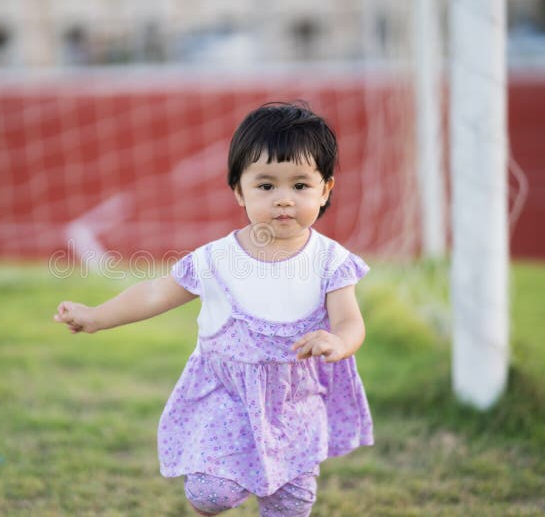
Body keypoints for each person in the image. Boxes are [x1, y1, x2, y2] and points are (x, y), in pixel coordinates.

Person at [53, 102, 373, 516]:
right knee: (210, 493)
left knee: (290, 504)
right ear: (239, 190)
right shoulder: (217, 259)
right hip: (227, 397)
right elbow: (155, 293)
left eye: (300, 186)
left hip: (294, 404)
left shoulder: (331, 262)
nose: (283, 201)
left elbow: (350, 320)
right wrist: (96, 316)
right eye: (265, 186)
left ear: (325, 189)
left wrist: (339, 340)